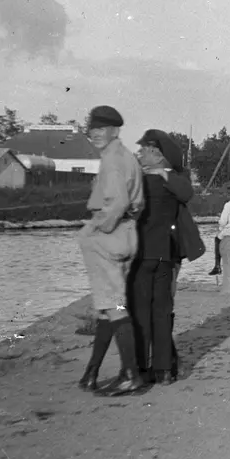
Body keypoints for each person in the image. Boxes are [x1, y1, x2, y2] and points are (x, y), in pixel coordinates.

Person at [76, 106, 149, 397]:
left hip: (110, 235)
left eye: (101, 128)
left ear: (115, 131)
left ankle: (131, 375)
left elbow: (117, 203)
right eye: (92, 128)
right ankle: (91, 373)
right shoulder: (126, 156)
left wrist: (98, 228)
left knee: (115, 308)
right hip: (127, 233)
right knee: (108, 307)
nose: (95, 133)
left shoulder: (113, 160)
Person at [130, 130, 195, 385]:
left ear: (157, 154)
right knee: (162, 309)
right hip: (165, 254)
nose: (140, 154)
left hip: (151, 254)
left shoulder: (155, 180)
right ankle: (165, 368)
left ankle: (147, 367)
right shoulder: (165, 180)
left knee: (147, 311)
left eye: (144, 150)